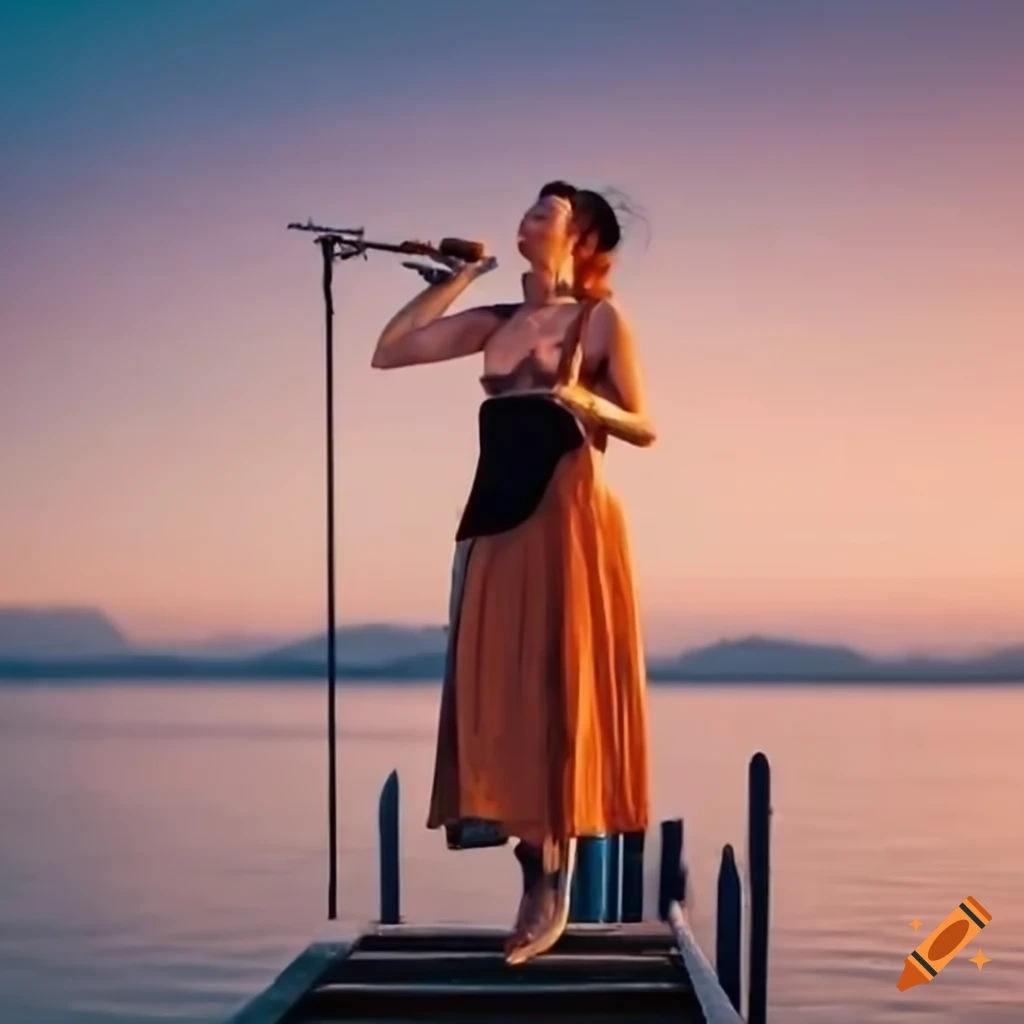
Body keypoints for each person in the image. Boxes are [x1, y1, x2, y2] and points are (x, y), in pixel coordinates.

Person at [371, 182, 655, 964]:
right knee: (492, 686)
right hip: (492, 513)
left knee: (555, 687)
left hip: (569, 514)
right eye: (528, 207)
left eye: (548, 213)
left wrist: (581, 401)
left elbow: (645, 424)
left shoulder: (600, 322)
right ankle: (529, 860)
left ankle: (546, 877)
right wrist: (459, 278)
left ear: (583, 240)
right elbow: (389, 351)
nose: (528, 217)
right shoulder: (497, 321)